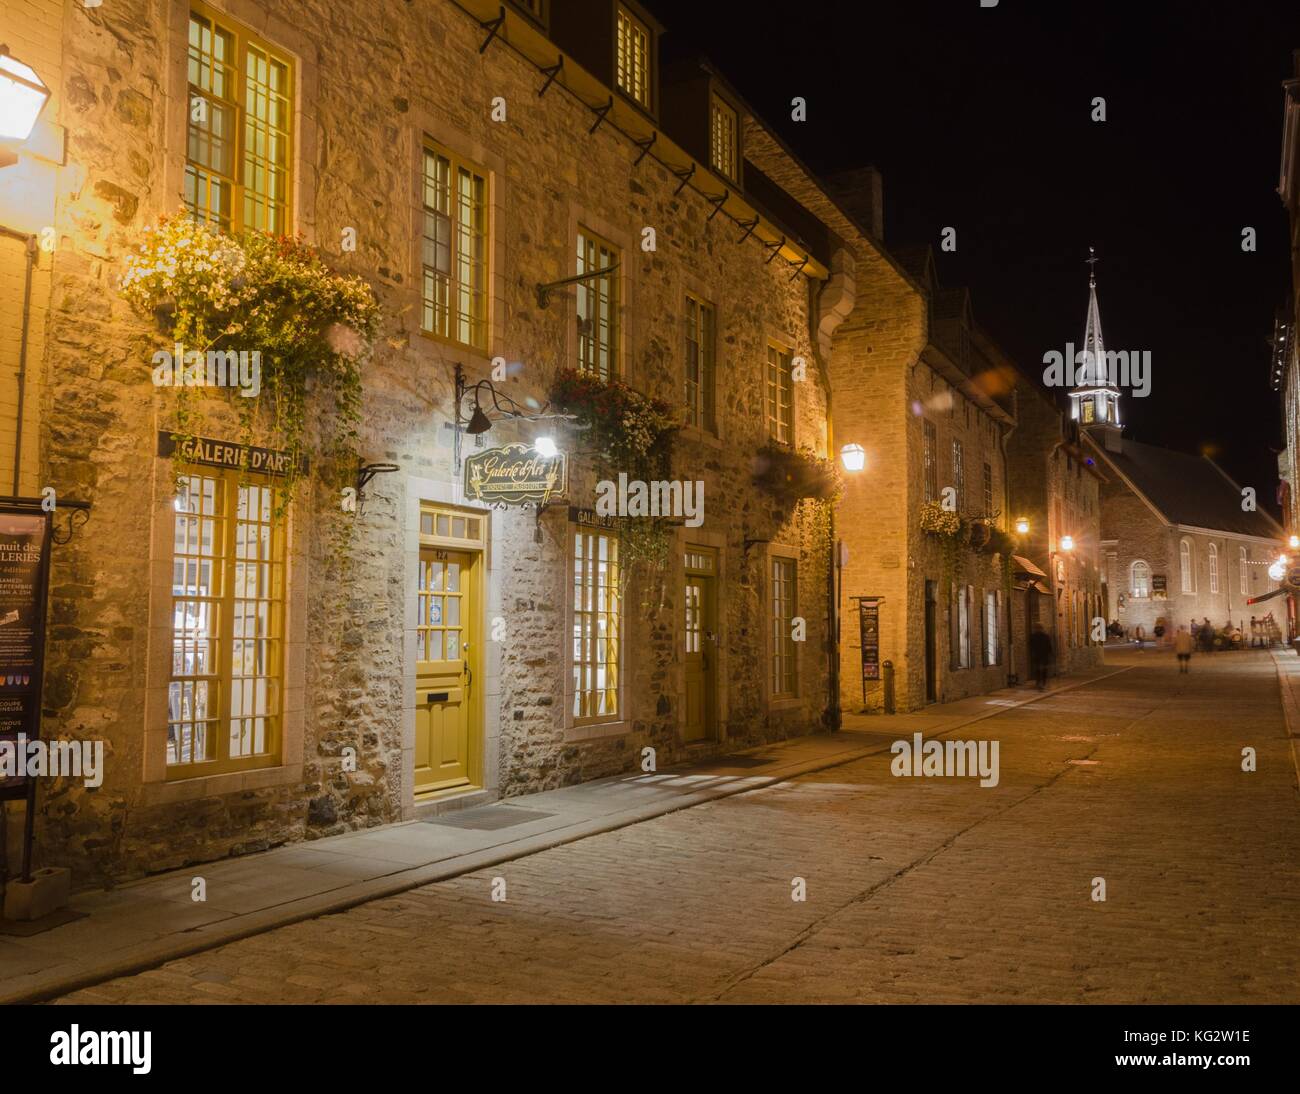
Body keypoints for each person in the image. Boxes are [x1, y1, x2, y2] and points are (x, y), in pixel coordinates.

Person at [1029, 622, 1053, 690]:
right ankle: (1042, 682)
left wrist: (1032, 653)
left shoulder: (1033, 636)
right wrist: (1050, 654)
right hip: (1043, 655)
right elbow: (1049, 646)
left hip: (1039, 655)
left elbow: (1031, 646)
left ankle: (1040, 682)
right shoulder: (1045, 636)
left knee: (1039, 669)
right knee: (1042, 669)